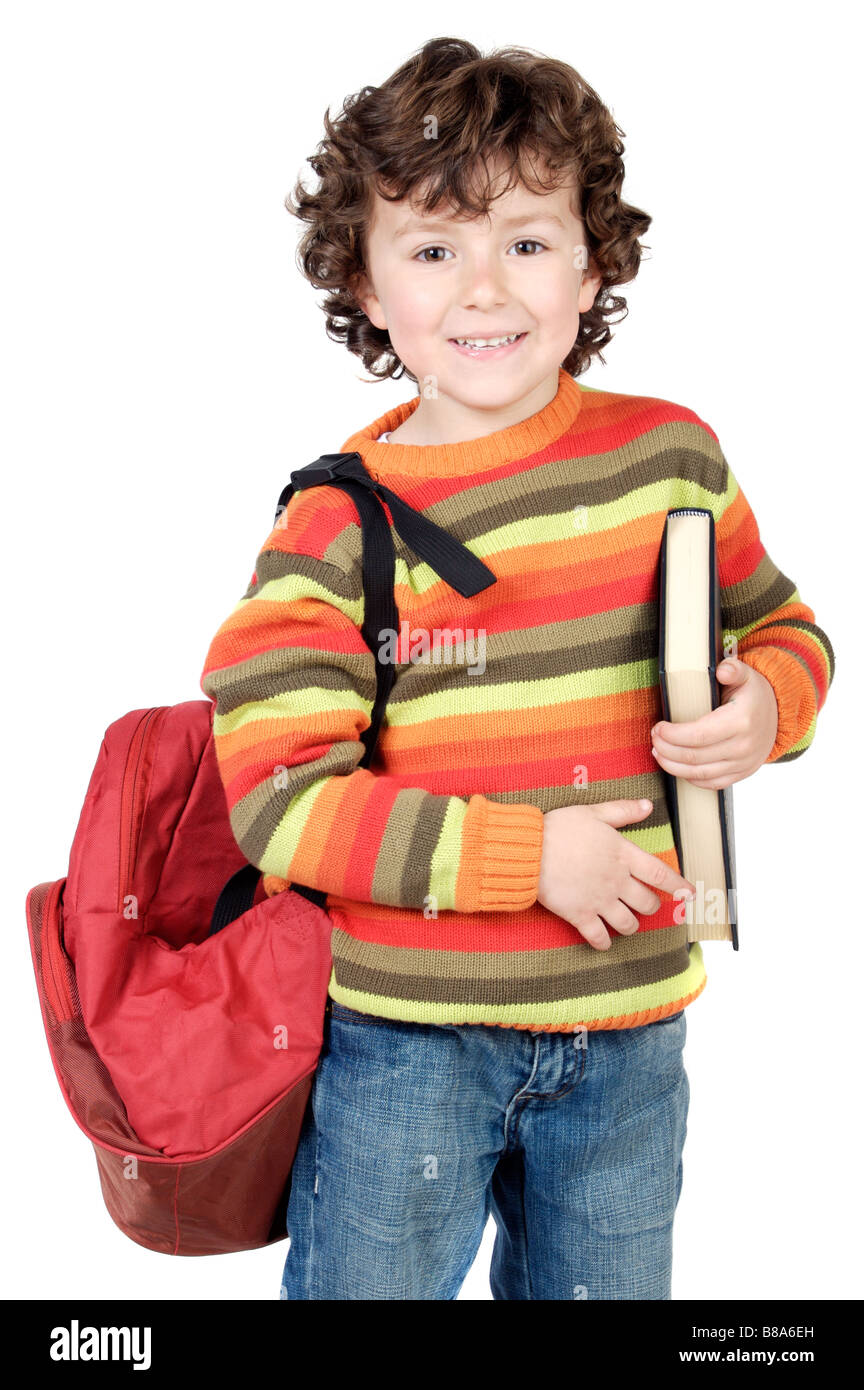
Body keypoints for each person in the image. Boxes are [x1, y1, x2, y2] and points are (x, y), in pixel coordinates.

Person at [199, 36, 835, 1300]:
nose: (485, 289)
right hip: (406, 1040)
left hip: (634, 1025)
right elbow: (276, 796)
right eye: (434, 250)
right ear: (367, 286)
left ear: (591, 261)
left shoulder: (670, 458)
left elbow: (784, 630)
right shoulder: (337, 523)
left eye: (527, 241)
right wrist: (526, 859)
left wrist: (764, 710)